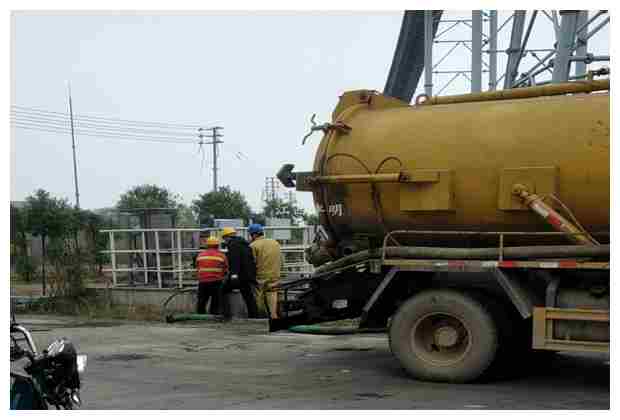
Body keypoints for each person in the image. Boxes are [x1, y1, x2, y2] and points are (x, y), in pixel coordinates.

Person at [220, 227, 260, 318]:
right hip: (248, 275)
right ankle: (254, 316)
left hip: (239, 275)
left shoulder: (233, 245)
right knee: (248, 296)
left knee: (222, 290)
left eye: (224, 238)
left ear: (227, 237)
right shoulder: (245, 244)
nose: (224, 241)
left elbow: (235, 260)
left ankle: (224, 314)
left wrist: (234, 275)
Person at [248, 224, 282, 319]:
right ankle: (273, 316)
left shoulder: (253, 245)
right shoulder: (275, 243)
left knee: (259, 298)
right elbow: (281, 259)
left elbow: (252, 263)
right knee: (272, 295)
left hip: (261, 277)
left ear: (254, 235)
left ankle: (261, 317)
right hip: (275, 274)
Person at [195, 236, 228, 315]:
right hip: (216, 281)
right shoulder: (221, 256)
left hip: (203, 281)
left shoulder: (200, 255)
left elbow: (197, 267)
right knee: (215, 300)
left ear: (207, 245)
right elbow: (225, 269)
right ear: (217, 245)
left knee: (202, 300)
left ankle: (200, 316)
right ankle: (214, 316)